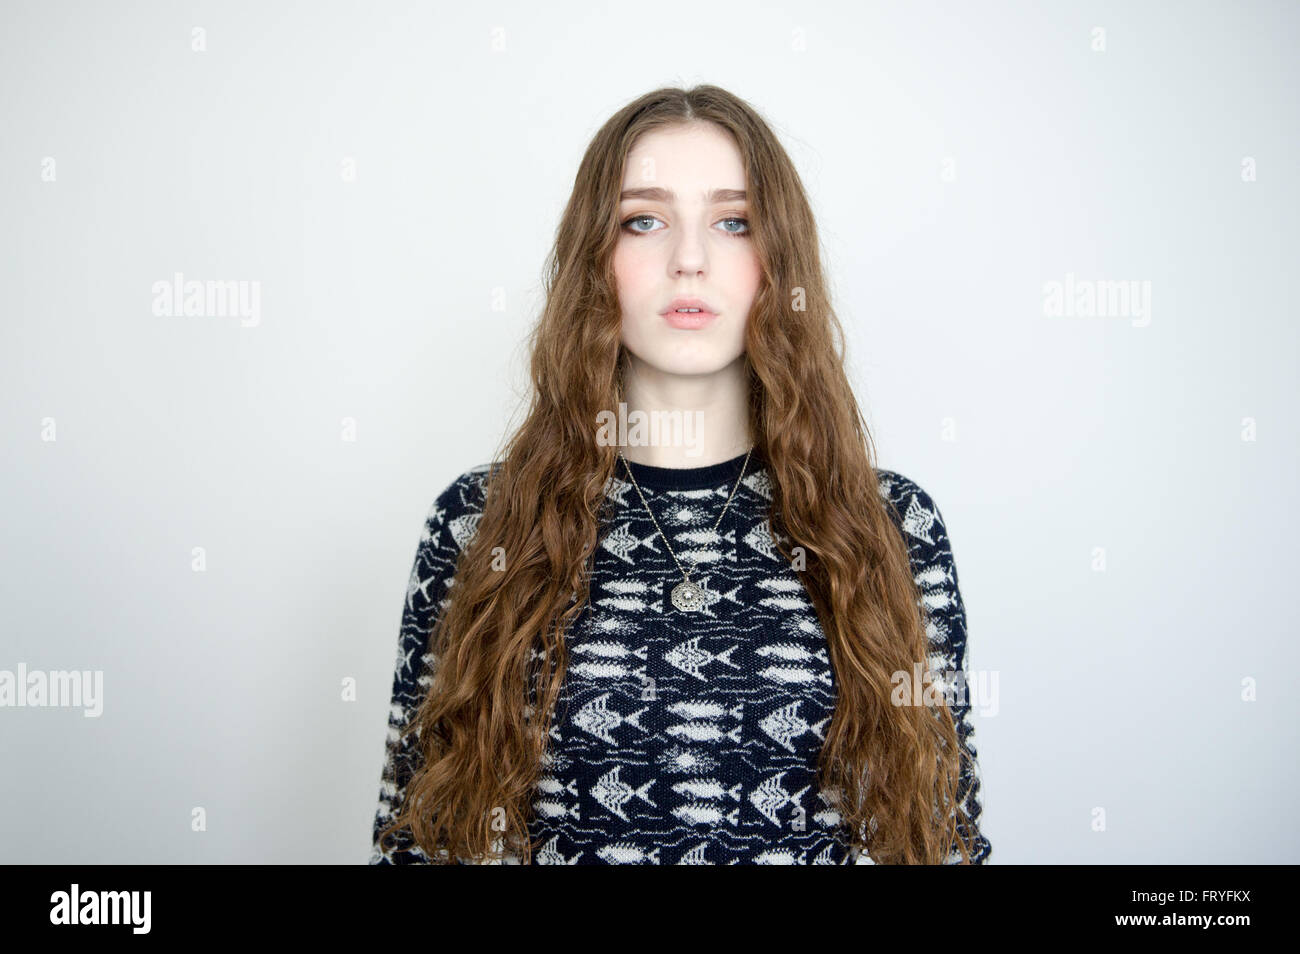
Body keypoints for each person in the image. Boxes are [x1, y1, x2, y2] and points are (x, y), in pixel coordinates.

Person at [370, 85, 991, 865]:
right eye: (645, 220)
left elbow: (944, 842)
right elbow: (415, 844)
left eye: (734, 223)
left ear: (779, 262)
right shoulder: (476, 523)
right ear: (595, 257)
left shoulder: (894, 526)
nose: (689, 259)